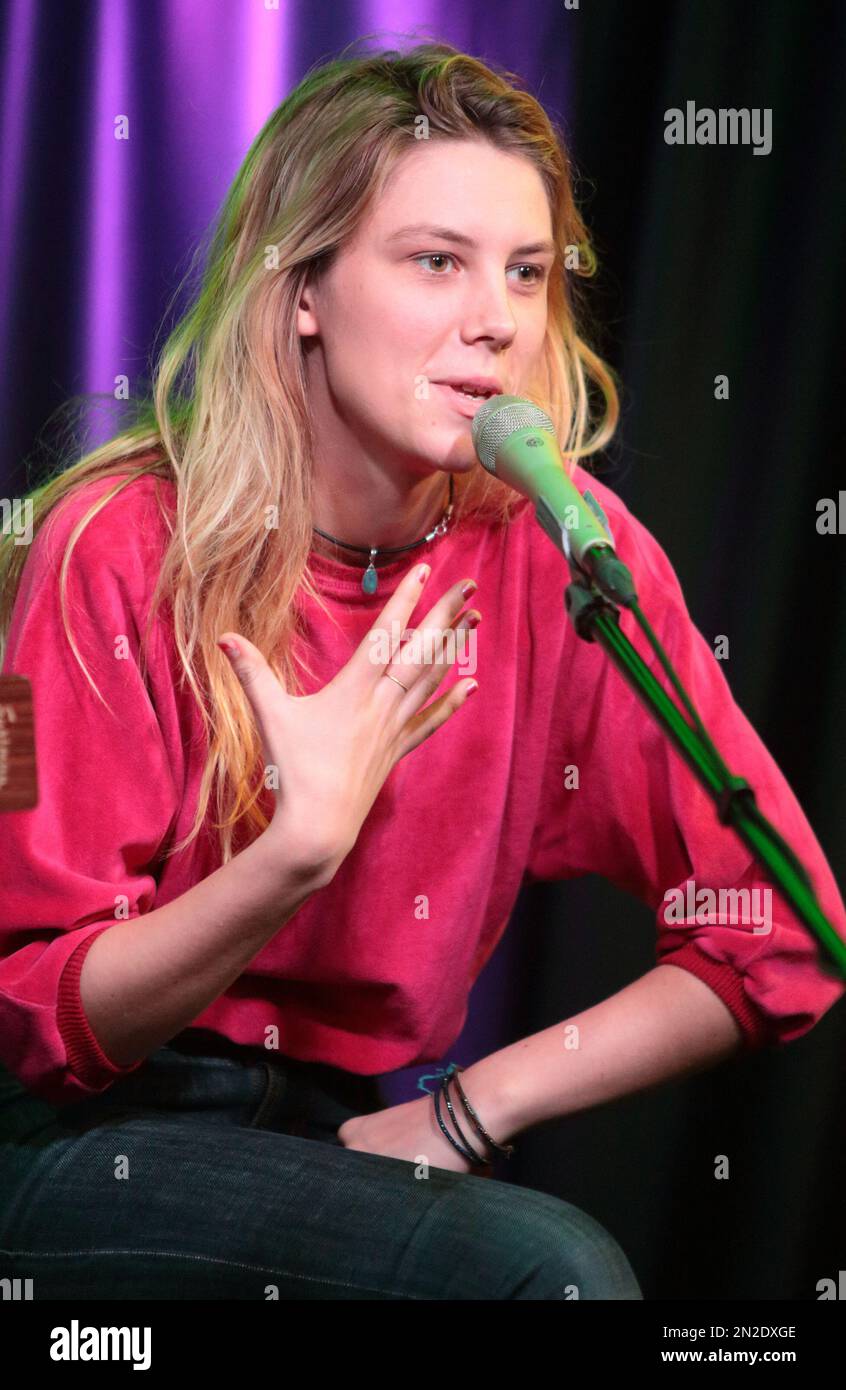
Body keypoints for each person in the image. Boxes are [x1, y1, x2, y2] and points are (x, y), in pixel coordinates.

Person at [0, 41, 842, 1302]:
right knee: (549, 1272)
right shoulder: (112, 541)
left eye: (525, 274)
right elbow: (34, 1018)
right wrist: (297, 850)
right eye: (435, 261)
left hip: (344, 1133)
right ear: (302, 288)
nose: (497, 317)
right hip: (87, 1137)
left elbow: (787, 932)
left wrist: (469, 1110)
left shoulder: (564, 558)